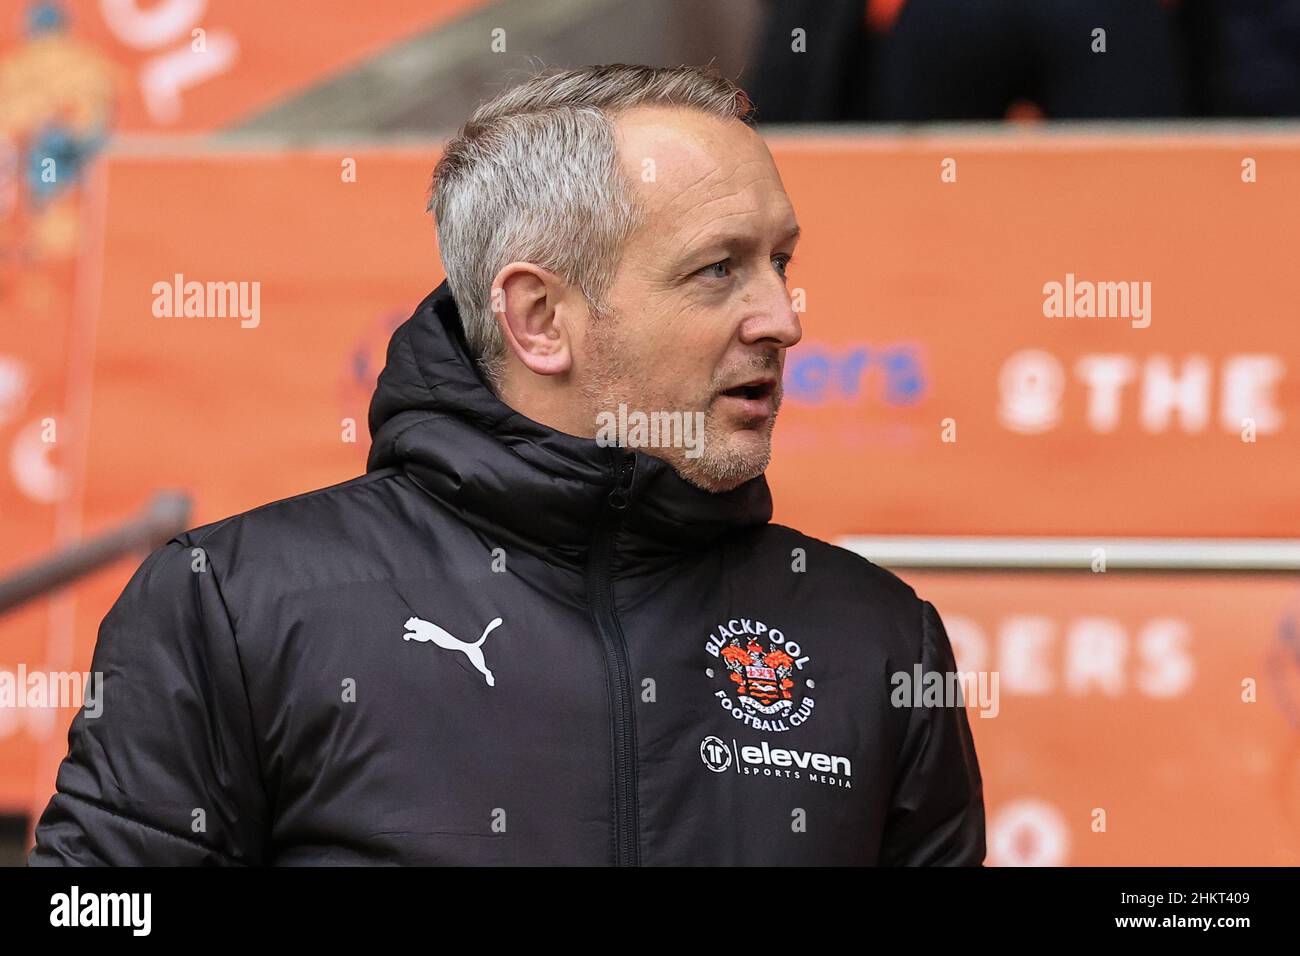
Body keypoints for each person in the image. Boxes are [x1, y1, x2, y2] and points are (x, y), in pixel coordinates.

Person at [29, 63, 984, 866]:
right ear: (539, 319)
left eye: (782, 259)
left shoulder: (879, 641)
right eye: (719, 269)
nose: (784, 317)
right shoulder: (238, 608)